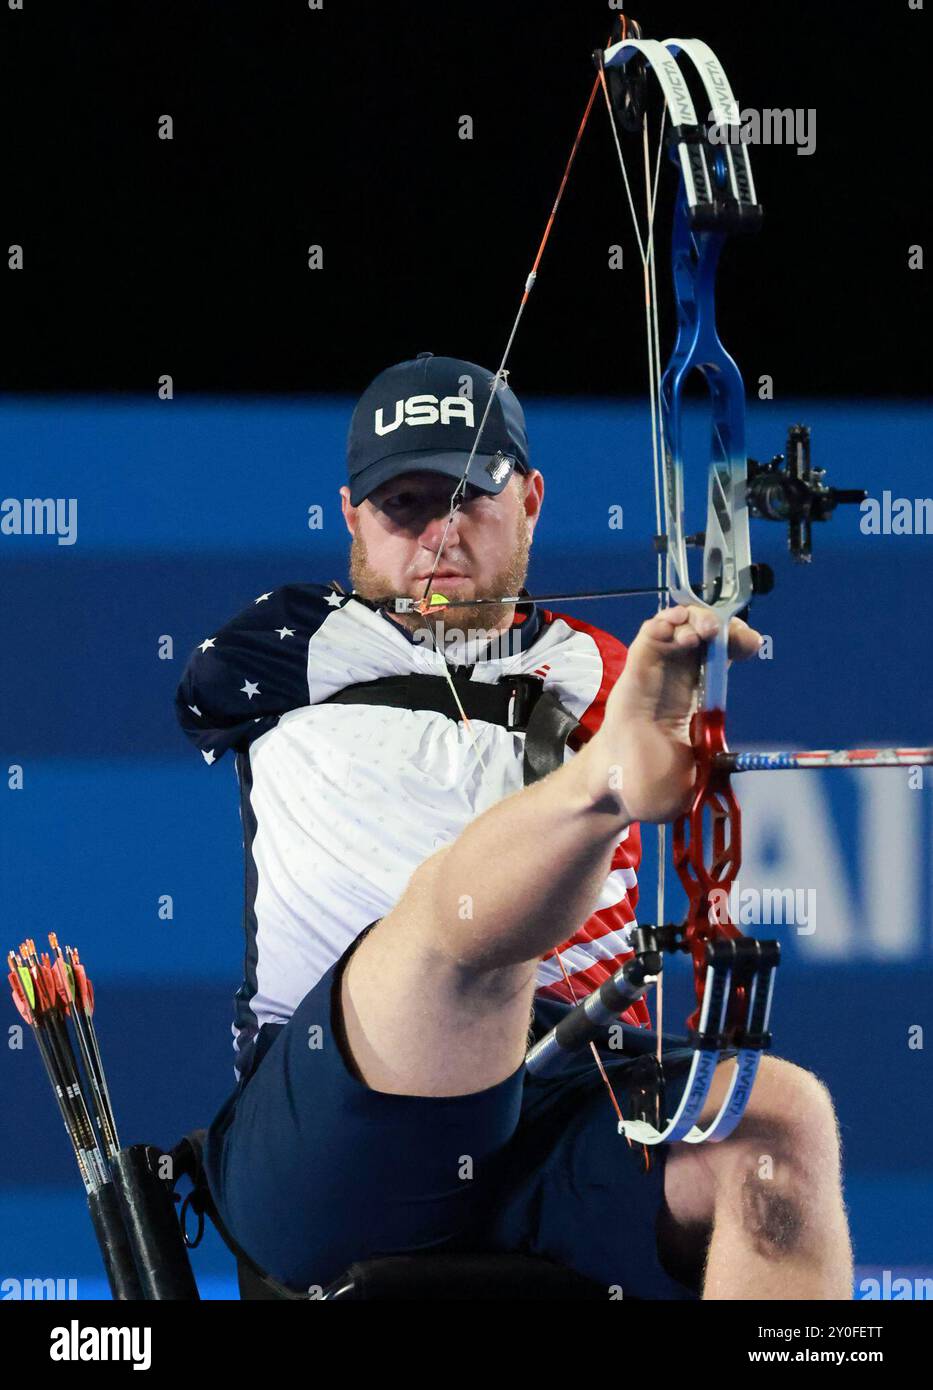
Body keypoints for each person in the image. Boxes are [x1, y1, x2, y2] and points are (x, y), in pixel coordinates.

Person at [175, 352, 852, 1299]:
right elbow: (201, 693)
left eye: (469, 498)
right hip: (340, 1117)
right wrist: (608, 771)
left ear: (530, 499)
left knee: (778, 1127)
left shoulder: (602, 669)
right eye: (402, 506)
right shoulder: (292, 644)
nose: (438, 535)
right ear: (350, 518)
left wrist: (678, 693)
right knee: (456, 946)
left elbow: (669, 732)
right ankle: (590, 792)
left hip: (566, 1088)